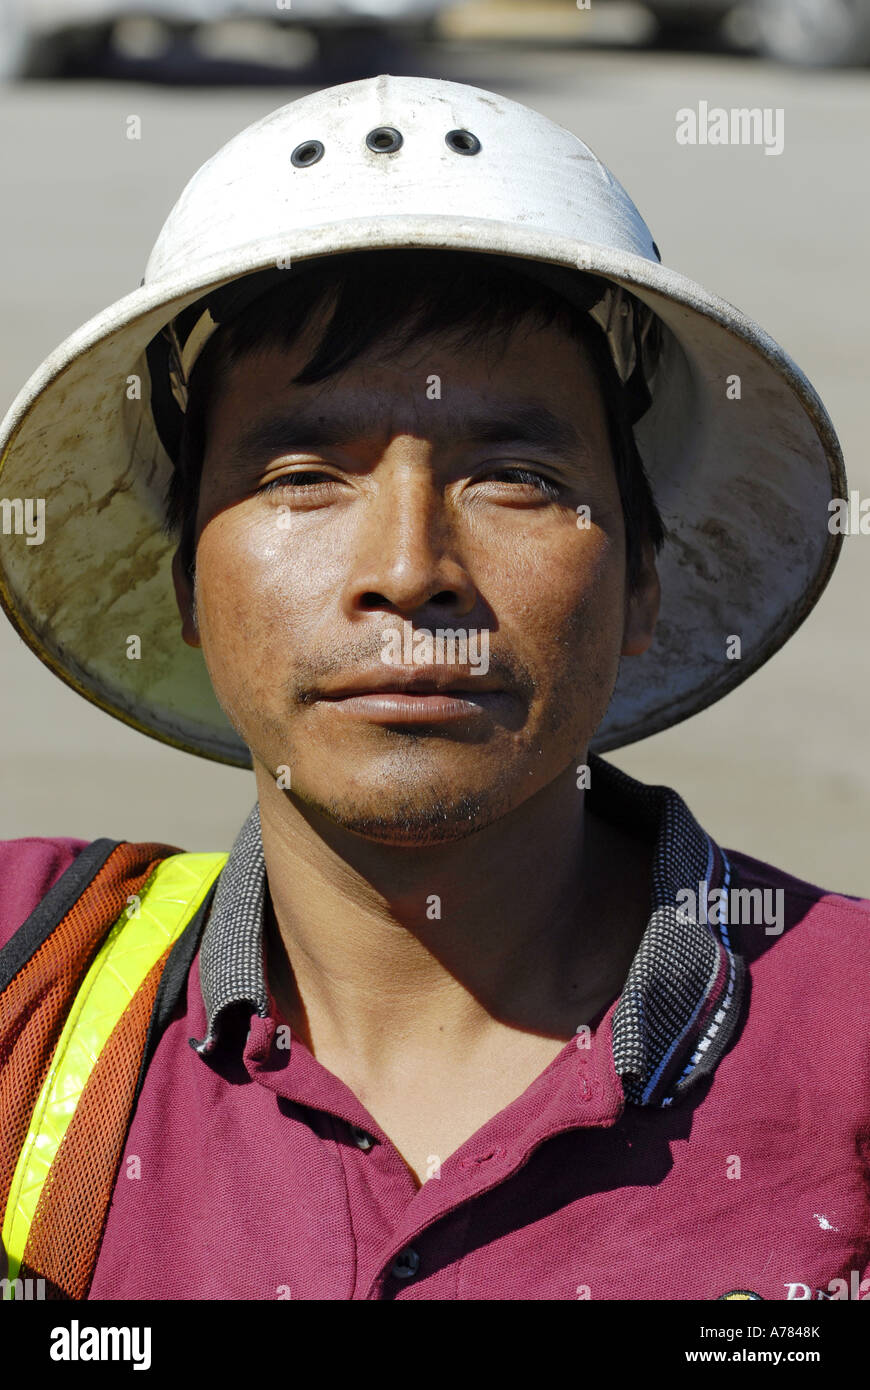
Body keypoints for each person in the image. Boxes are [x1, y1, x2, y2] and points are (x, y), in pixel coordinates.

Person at [0, 75, 867, 1303]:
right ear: (185, 580)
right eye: (304, 475)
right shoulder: (33, 984)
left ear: (642, 582)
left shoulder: (849, 1038)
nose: (408, 570)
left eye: (513, 476)